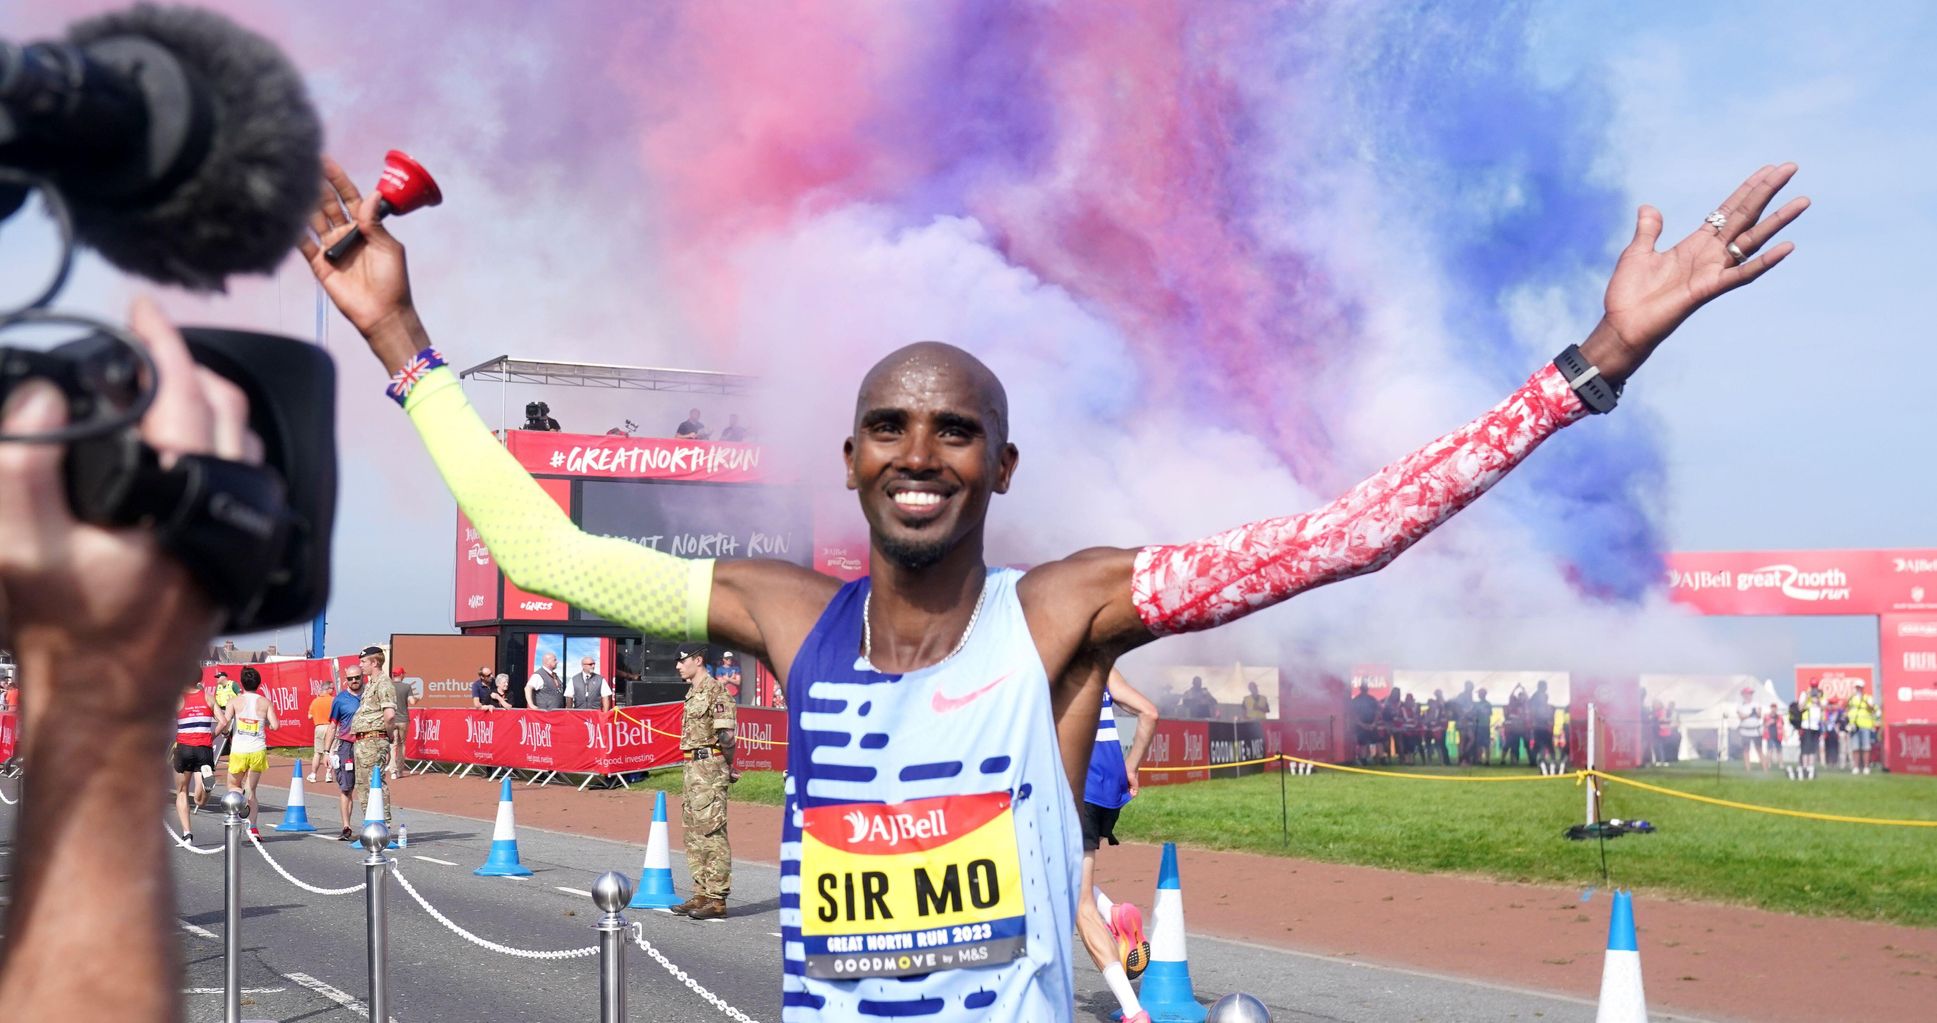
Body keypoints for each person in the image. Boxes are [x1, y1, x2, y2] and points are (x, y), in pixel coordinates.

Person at [301, 154, 1807, 1020]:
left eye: (957, 428)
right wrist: (404, 345)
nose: (921, 449)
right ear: (847, 458)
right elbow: (552, 556)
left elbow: (1347, 535)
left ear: (1000, 468)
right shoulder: (782, 615)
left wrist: (1590, 368)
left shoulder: (1064, 609)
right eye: (892, 423)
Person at [0, 297, 261, 1021]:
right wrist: (100, 684)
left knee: (196, 781)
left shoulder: (217, 696)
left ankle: (191, 812)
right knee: (192, 782)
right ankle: (188, 814)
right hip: (191, 741)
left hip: (202, 742)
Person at [1076, 668, 1159, 1023]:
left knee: (1078, 907)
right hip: (1108, 789)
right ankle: (1110, 911)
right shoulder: (1100, 663)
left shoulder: (1046, 655)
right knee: (1051, 879)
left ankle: (1133, 1012)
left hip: (1073, 784)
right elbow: (1149, 713)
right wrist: (1132, 766)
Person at [669, 646, 733, 920]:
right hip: (692, 766)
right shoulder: (692, 693)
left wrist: (728, 765)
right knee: (694, 833)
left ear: (698, 660)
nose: (678, 666)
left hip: (709, 766)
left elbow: (727, 736)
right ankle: (702, 893)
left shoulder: (716, 691)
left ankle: (717, 899)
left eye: (682, 661)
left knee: (712, 831)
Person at [224, 666, 279, 838]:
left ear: (241, 683)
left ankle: (240, 801)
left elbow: (225, 724)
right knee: (252, 791)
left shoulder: (235, 701)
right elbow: (276, 726)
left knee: (233, 786)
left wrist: (226, 730)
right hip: (257, 750)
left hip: (239, 750)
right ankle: (253, 828)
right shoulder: (265, 702)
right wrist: (263, 723)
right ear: (259, 684)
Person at [173, 678, 229, 842]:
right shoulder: (208, 697)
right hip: (204, 748)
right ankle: (207, 786)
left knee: (182, 791)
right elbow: (224, 721)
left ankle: (187, 834)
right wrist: (212, 735)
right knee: (200, 800)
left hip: (184, 747)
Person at [347, 657, 398, 830]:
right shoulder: (370, 684)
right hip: (363, 740)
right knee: (362, 785)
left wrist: (388, 737)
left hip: (374, 739)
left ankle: (382, 824)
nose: (361, 666)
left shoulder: (384, 683)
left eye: (363, 662)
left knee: (374, 782)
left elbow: (389, 714)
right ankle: (370, 824)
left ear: (374, 662)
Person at [330, 666, 366, 839]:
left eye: (357, 677)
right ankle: (346, 827)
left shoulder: (370, 695)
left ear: (362, 676)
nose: (354, 681)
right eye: (350, 678)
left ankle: (371, 826)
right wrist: (325, 751)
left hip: (368, 745)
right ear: (346, 679)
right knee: (346, 788)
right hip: (346, 746)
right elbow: (332, 725)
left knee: (369, 788)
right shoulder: (340, 700)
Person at [1847, 680, 1880, 774]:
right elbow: (1847, 709)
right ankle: (1856, 767)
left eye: (1859, 687)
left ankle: (1866, 767)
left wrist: (1866, 703)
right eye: (1857, 687)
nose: (1858, 689)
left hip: (1865, 725)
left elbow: (1874, 709)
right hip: (1854, 725)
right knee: (1855, 747)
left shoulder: (1867, 698)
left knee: (1866, 747)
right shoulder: (1852, 698)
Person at [306, 681, 336, 783]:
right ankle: (328, 775)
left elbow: (309, 716)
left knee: (318, 753)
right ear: (327, 689)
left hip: (319, 727)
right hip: (331, 727)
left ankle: (313, 774)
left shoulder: (315, 701)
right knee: (331, 752)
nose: (333, 690)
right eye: (332, 688)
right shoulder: (333, 700)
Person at [1797, 685, 1826, 780]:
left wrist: (1818, 698)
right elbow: (1800, 708)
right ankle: (1805, 766)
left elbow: (1824, 707)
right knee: (1806, 748)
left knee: (1813, 748)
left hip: (1816, 727)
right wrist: (1808, 697)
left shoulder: (1820, 699)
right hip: (1806, 726)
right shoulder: (1805, 698)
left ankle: (1811, 766)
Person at [1349, 682, 1380, 765]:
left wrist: (1365, 725)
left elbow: (1353, 715)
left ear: (1360, 688)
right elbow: (1377, 712)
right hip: (1366, 725)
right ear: (1367, 689)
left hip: (1363, 725)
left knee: (1365, 743)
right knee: (1373, 742)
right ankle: (1378, 760)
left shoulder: (1356, 700)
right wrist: (1373, 724)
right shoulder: (1372, 699)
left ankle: (1365, 760)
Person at [1528, 680, 1555, 769]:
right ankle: (1546, 760)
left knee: (1541, 743)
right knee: (1545, 743)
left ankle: (1538, 760)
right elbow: (1536, 710)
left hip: (1540, 724)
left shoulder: (1536, 696)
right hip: (1540, 724)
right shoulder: (1538, 696)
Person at [1736, 686, 1761, 768]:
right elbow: (1741, 717)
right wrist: (1750, 714)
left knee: (1759, 750)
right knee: (1746, 750)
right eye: (1747, 693)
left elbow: (1759, 715)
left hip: (1755, 731)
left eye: (1750, 693)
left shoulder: (1756, 704)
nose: (1748, 695)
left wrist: (1755, 713)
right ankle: (1748, 769)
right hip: (1744, 732)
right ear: (1743, 695)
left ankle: (1766, 770)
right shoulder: (1740, 706)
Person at [1761, 701, 1785, 775]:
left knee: (1779, 751)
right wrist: (1769, 723)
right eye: (1772, 707)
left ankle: (1781, 764)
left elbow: (1783, 726)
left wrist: (1784, 735)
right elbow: (1764, 725)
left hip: (1778, 736)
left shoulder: (1780, 717)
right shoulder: (1767, 716)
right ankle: (1768, 764)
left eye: (1775, 708)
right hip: (1770, 736)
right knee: (1770, 750)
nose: (1773, 709)